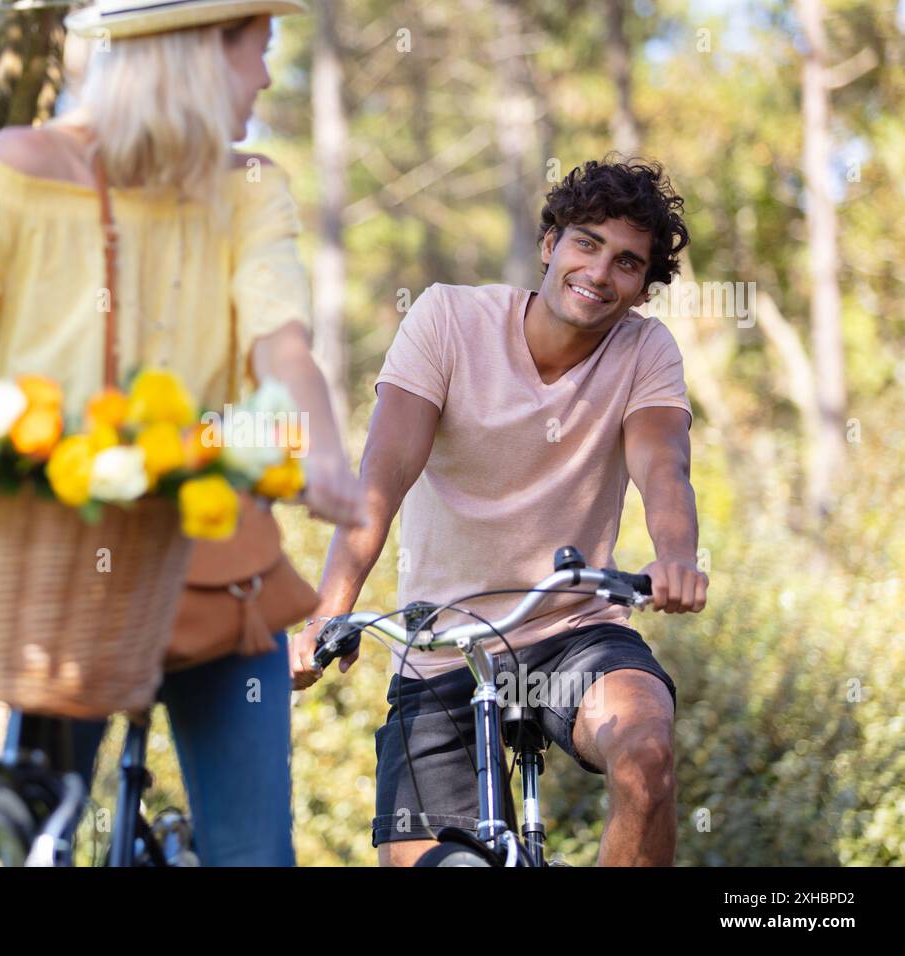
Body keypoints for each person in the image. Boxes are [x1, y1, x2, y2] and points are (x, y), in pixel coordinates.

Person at [0, 0, 367, 866]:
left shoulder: (247, 188)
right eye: (258, 50)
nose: (267, 76)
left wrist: (320, 443)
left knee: (252, 854)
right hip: (66, 582)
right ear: (195, 55)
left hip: (217, 579)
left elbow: (280, 340)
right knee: (31, 825)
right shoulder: (14, 171)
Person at [293, 157, 710, 866]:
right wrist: (329, 612)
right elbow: (383, 476)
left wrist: (675, 557)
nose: (600, 272)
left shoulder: (645, 351)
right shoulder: (448, 319)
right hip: (441, 647)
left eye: (627, 262)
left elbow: (662, 466)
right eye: (586, 243)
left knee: (645, 755)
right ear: (550, 244)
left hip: (574, 631)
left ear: (642, 289)